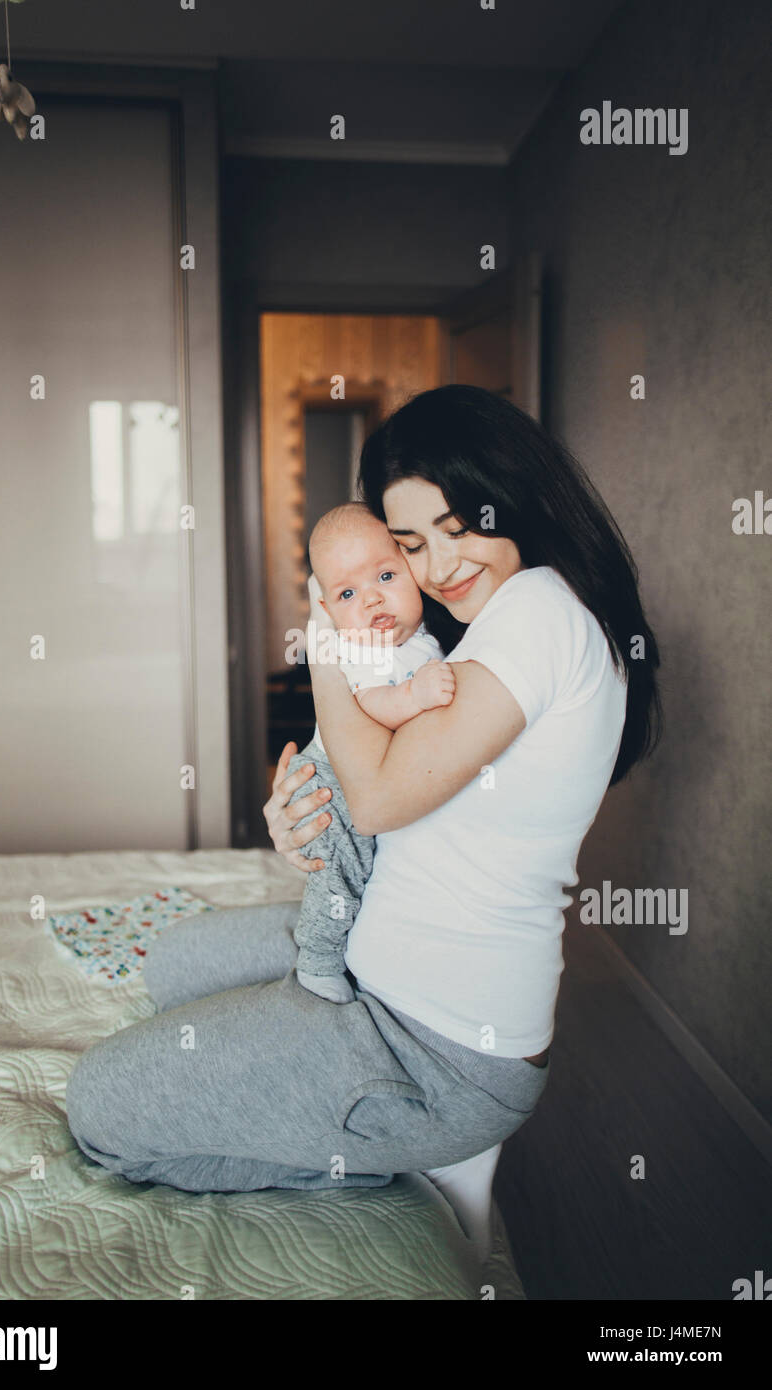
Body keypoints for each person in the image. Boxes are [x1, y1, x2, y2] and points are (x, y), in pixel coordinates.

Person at [65, 384, 661, 1267]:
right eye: (410, 545)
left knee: (98, 1108)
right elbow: (374, 808)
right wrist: (302, 817)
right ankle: (356, 1125)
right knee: (173, 962)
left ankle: (396, 1164)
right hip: (371, 950)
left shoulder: (539, 610)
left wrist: (325, 645)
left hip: (432, 1047)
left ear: (517, 495)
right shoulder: (477, 628)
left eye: (459, 525)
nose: (438, 566)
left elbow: (378, 793)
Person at [289, 501, 455, 1004]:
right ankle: (317, 959)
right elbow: (371, 706)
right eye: (347, 593)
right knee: (341, 870)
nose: (372, 600)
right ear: (328, 612)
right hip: (329, 777)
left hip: (359, 774)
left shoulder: (422, 640)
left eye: (386, 574)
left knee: (360, 868)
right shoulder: (358, 650)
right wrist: (415, 696)